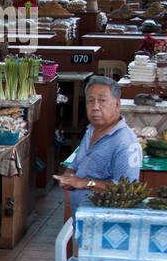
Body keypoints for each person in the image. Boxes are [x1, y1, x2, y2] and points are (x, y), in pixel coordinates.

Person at [54, 76, 142, 209]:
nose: (95, 107)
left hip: (105, 222)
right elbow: (76, 164)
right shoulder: (92, 129)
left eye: (102, 101)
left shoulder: (126, 143)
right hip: (82, 217)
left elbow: (127, 190)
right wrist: (68, 176)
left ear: (117, 104)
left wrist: (85, 183)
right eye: (90, 101)